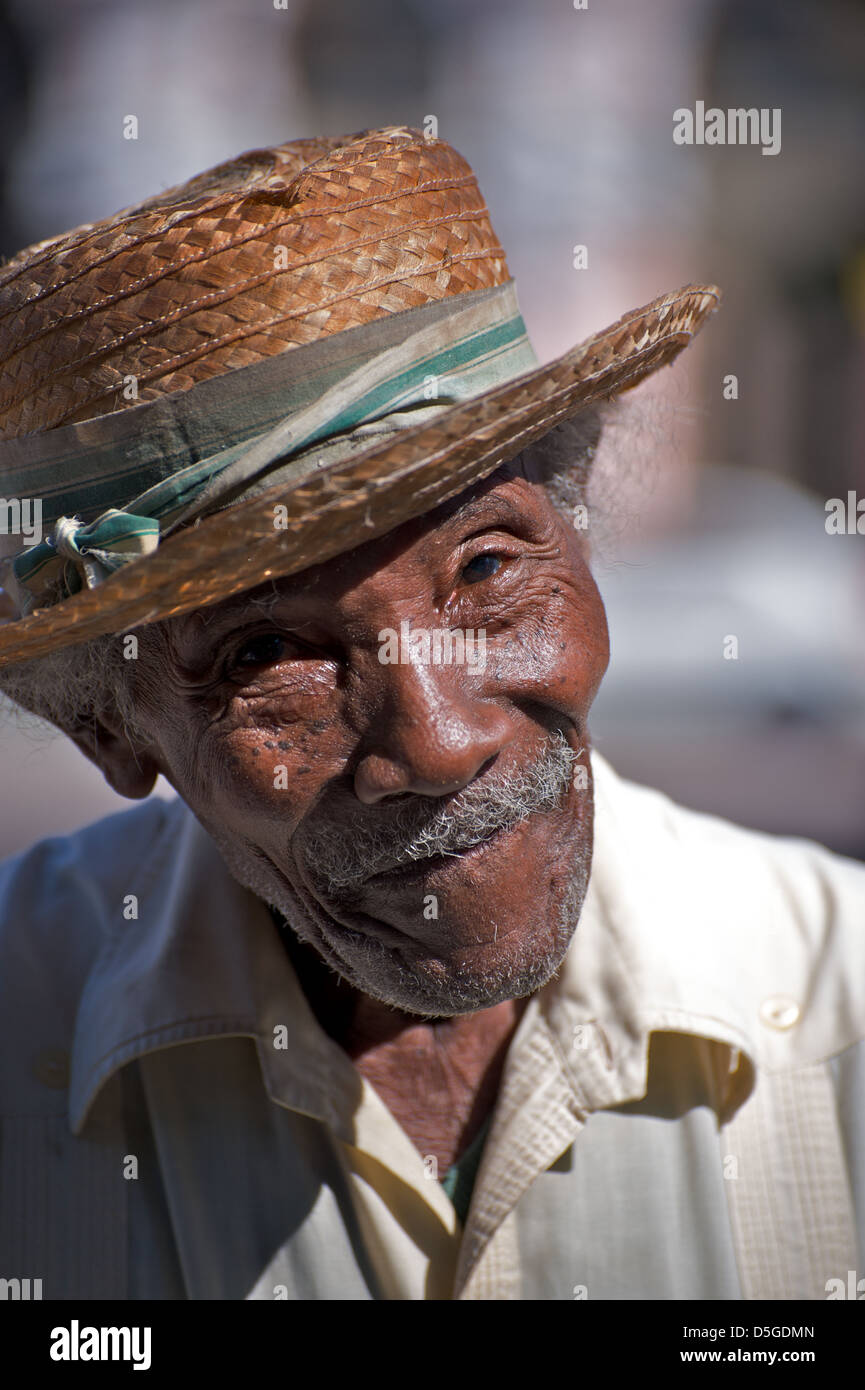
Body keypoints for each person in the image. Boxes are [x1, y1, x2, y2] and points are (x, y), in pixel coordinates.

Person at [0, 126, 862, 1303]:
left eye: (490, 570)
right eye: (270, 653)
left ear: (586, 545)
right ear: (113, 730)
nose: (441, 742)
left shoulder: (842, 999)